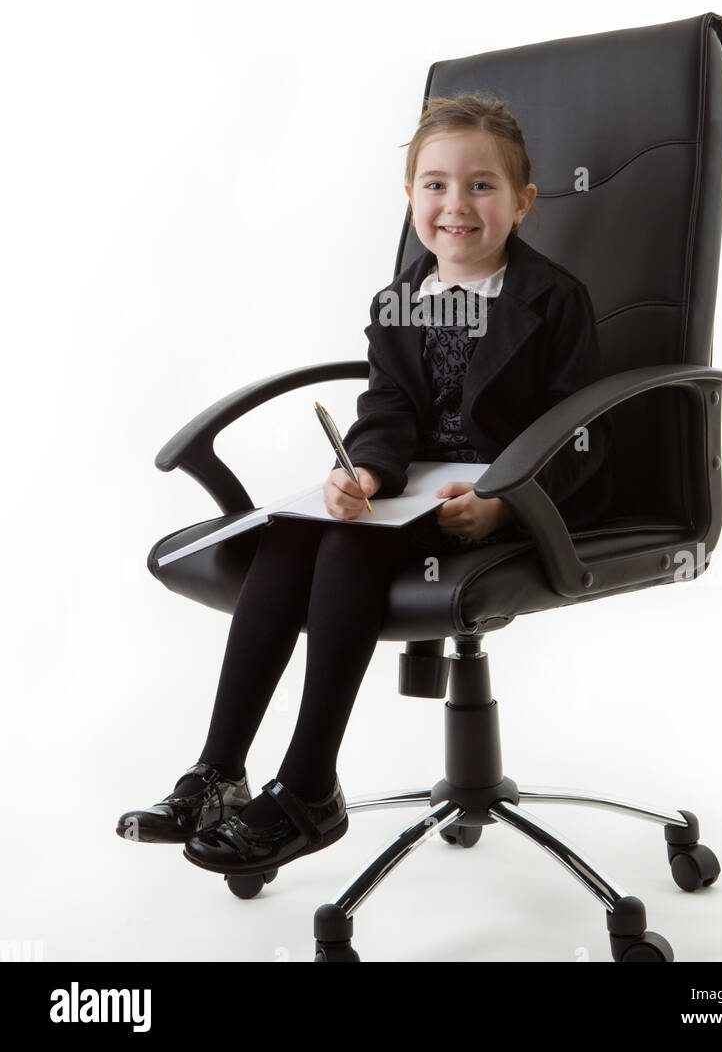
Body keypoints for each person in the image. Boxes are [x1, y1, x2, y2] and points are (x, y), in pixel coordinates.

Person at [116, 92, 614, 879]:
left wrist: (502, 501)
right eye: (437, 185)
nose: (457, 205)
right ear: (411, 197)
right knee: (292, 535)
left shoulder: (555, 302)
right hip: (412, 490)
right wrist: (367, 472)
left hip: (512, 495)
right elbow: (386, 406)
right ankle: (219, 773)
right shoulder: (400, 298)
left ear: (522, 204)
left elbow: (582, 428)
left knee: (346, 546)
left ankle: (310, 785)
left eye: (482, 187)